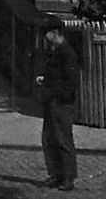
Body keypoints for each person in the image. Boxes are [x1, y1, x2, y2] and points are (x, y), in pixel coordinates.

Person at [37, 15, 79, 192]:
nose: (44, 37)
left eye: (47, 33)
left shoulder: (66, 52)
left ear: (55, 33)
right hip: (51, 100)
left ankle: (68, 177)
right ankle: (56, 173)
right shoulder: (54, 51)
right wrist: (44, 80)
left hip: (61, 103)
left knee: (63, 139)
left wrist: (57, 95)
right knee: (49, 138)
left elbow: (70, 81)